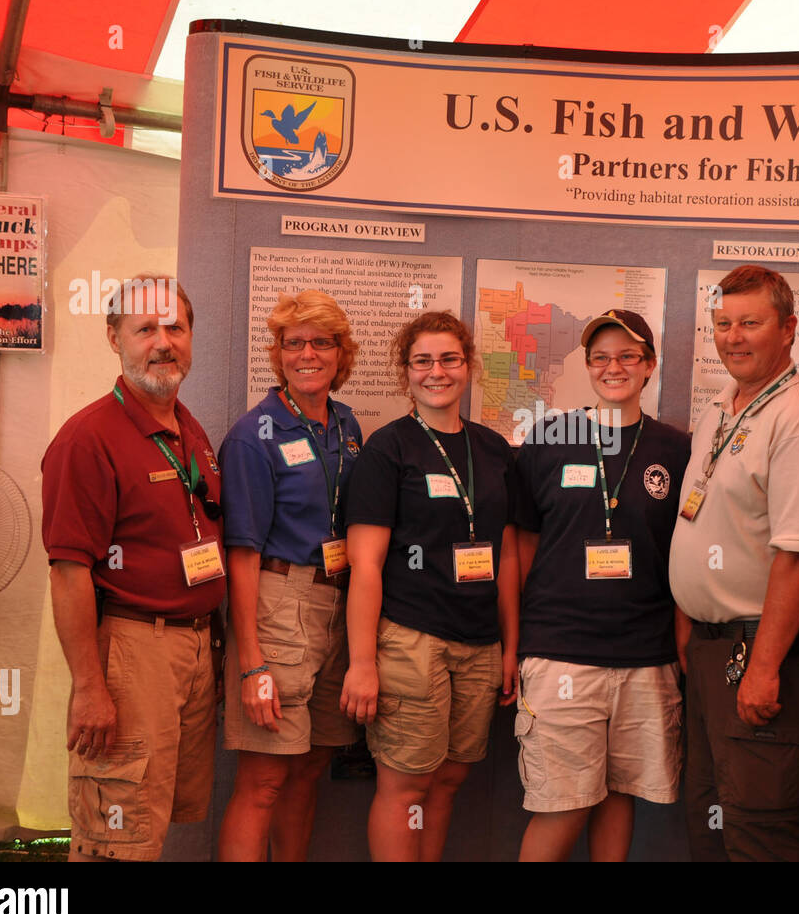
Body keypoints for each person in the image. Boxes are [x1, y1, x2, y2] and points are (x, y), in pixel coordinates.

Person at [41, 274, 224, 861]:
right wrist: (91, 688)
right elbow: (68, 573)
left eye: (175, 327)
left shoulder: (187, 427)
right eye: (145, 328)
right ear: (114, 338)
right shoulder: (87, 439)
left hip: (191, 651)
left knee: (153, 817)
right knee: (116, 835)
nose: (163, 341)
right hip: (131, 648)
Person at [669, 265, 799, 861]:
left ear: (788, 329)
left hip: (758, 653)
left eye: (750, 323)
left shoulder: (797, 420)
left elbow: (797, 557)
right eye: (723, 324)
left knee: (761, 828)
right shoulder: (721, 408)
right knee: (713, 819)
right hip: (713, 650)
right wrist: (690, 615)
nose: (733, 337)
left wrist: (763, 666)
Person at [340, 310, 519, 861]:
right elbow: (364, 564)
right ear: (406, 372)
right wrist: (363, 662)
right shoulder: (387, 450)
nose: (436, 372)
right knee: (406, 786)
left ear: (468, 367)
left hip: (480, 645)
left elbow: (508, 553)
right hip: (411, 642)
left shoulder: (492, 450)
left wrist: (511, 648)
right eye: (423, 361)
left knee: (447, 782)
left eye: (449, 359)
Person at [513, 310, 690, 861]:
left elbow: (683, 555)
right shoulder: (547, 440)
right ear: (587, 365)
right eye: (601, 357)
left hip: (644, 654)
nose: (614, 367)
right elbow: (521, 547)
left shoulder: (675, 449)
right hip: (562, 653)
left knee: (620, 794)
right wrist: (513, 642)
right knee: (562, 804)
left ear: (650, 366)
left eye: (628, 356)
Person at [215, 290, 364, 861]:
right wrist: (251, 661)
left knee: (307, 770)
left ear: (339, 352)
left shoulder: (346, 425)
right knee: (264, 782)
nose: (307, 353)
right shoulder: (255, 435)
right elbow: (242, 555)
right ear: (277, 354)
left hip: (335, 607)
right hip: (277, 609)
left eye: (320, 342)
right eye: (293, 342)